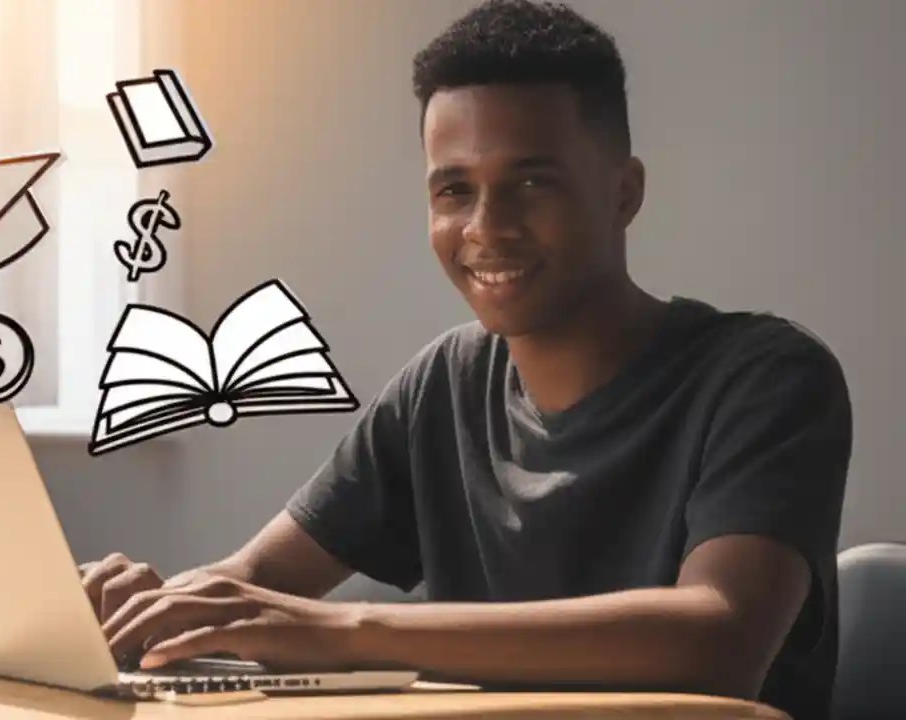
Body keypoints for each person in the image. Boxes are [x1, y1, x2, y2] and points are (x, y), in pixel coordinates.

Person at [78, 2, 852, 718]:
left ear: (624, 193)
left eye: (531, 183)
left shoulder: (766, 377)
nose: (488, 227)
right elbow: (254, 590)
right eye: (454, 190)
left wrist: (345, 629)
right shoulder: (443, 386)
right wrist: (141, 608)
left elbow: (717, 642)